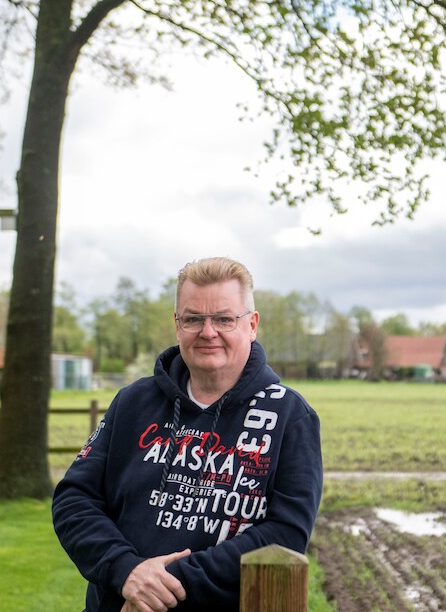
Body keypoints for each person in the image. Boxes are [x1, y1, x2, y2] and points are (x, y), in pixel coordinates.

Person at [53, 257, 323, 612]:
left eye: (224, 319)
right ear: (177, 325)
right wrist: (127, 571)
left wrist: (161, 587)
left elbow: (285, 534)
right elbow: (74, 500)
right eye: (194, 319)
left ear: (252, 324)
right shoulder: (133, 402)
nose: (208, 332)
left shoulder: (289, 416)